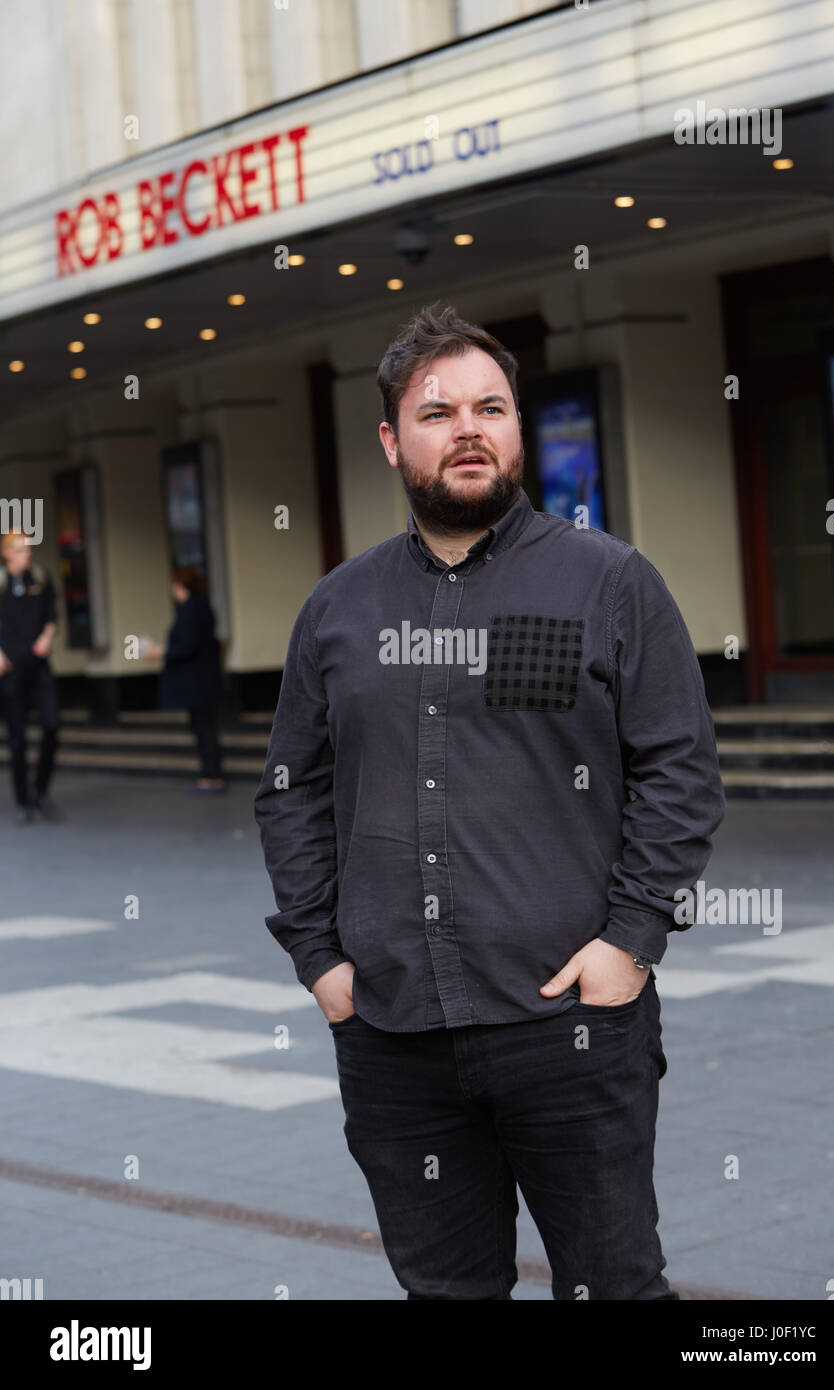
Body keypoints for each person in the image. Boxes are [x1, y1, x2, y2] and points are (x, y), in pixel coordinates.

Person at [254, 304, 726, 1301]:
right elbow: (291, 790)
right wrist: (321, 962)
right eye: (435, 411)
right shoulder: (336, 609)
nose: (466, 427)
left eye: (489, 407)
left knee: (613, 1285)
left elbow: (677, 770)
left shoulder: (607, 583)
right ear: (391, 440)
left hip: (569, 1025)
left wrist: (629, 940)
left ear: (515, 426)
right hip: (391, 1038)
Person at [0, 530, 63, 824]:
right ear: (7, 553)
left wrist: (47, 637)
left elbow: (52, 615)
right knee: (17, 739)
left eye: (29, 549)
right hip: (11, 670)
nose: (27, 554)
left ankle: (41, 790)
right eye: (22, 550)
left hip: (40, 667)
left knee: (52, 725)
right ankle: (24, 800)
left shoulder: (39, 578)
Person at [144, 566, 225, 793]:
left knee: (204, 728)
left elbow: (187, 646)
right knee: (204, 727)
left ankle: (212, 777)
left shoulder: (192, 609)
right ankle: (211, 775)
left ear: (180, 585)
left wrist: (161, 653)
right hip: (203, 679)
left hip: (199, 681)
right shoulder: (198, 607)